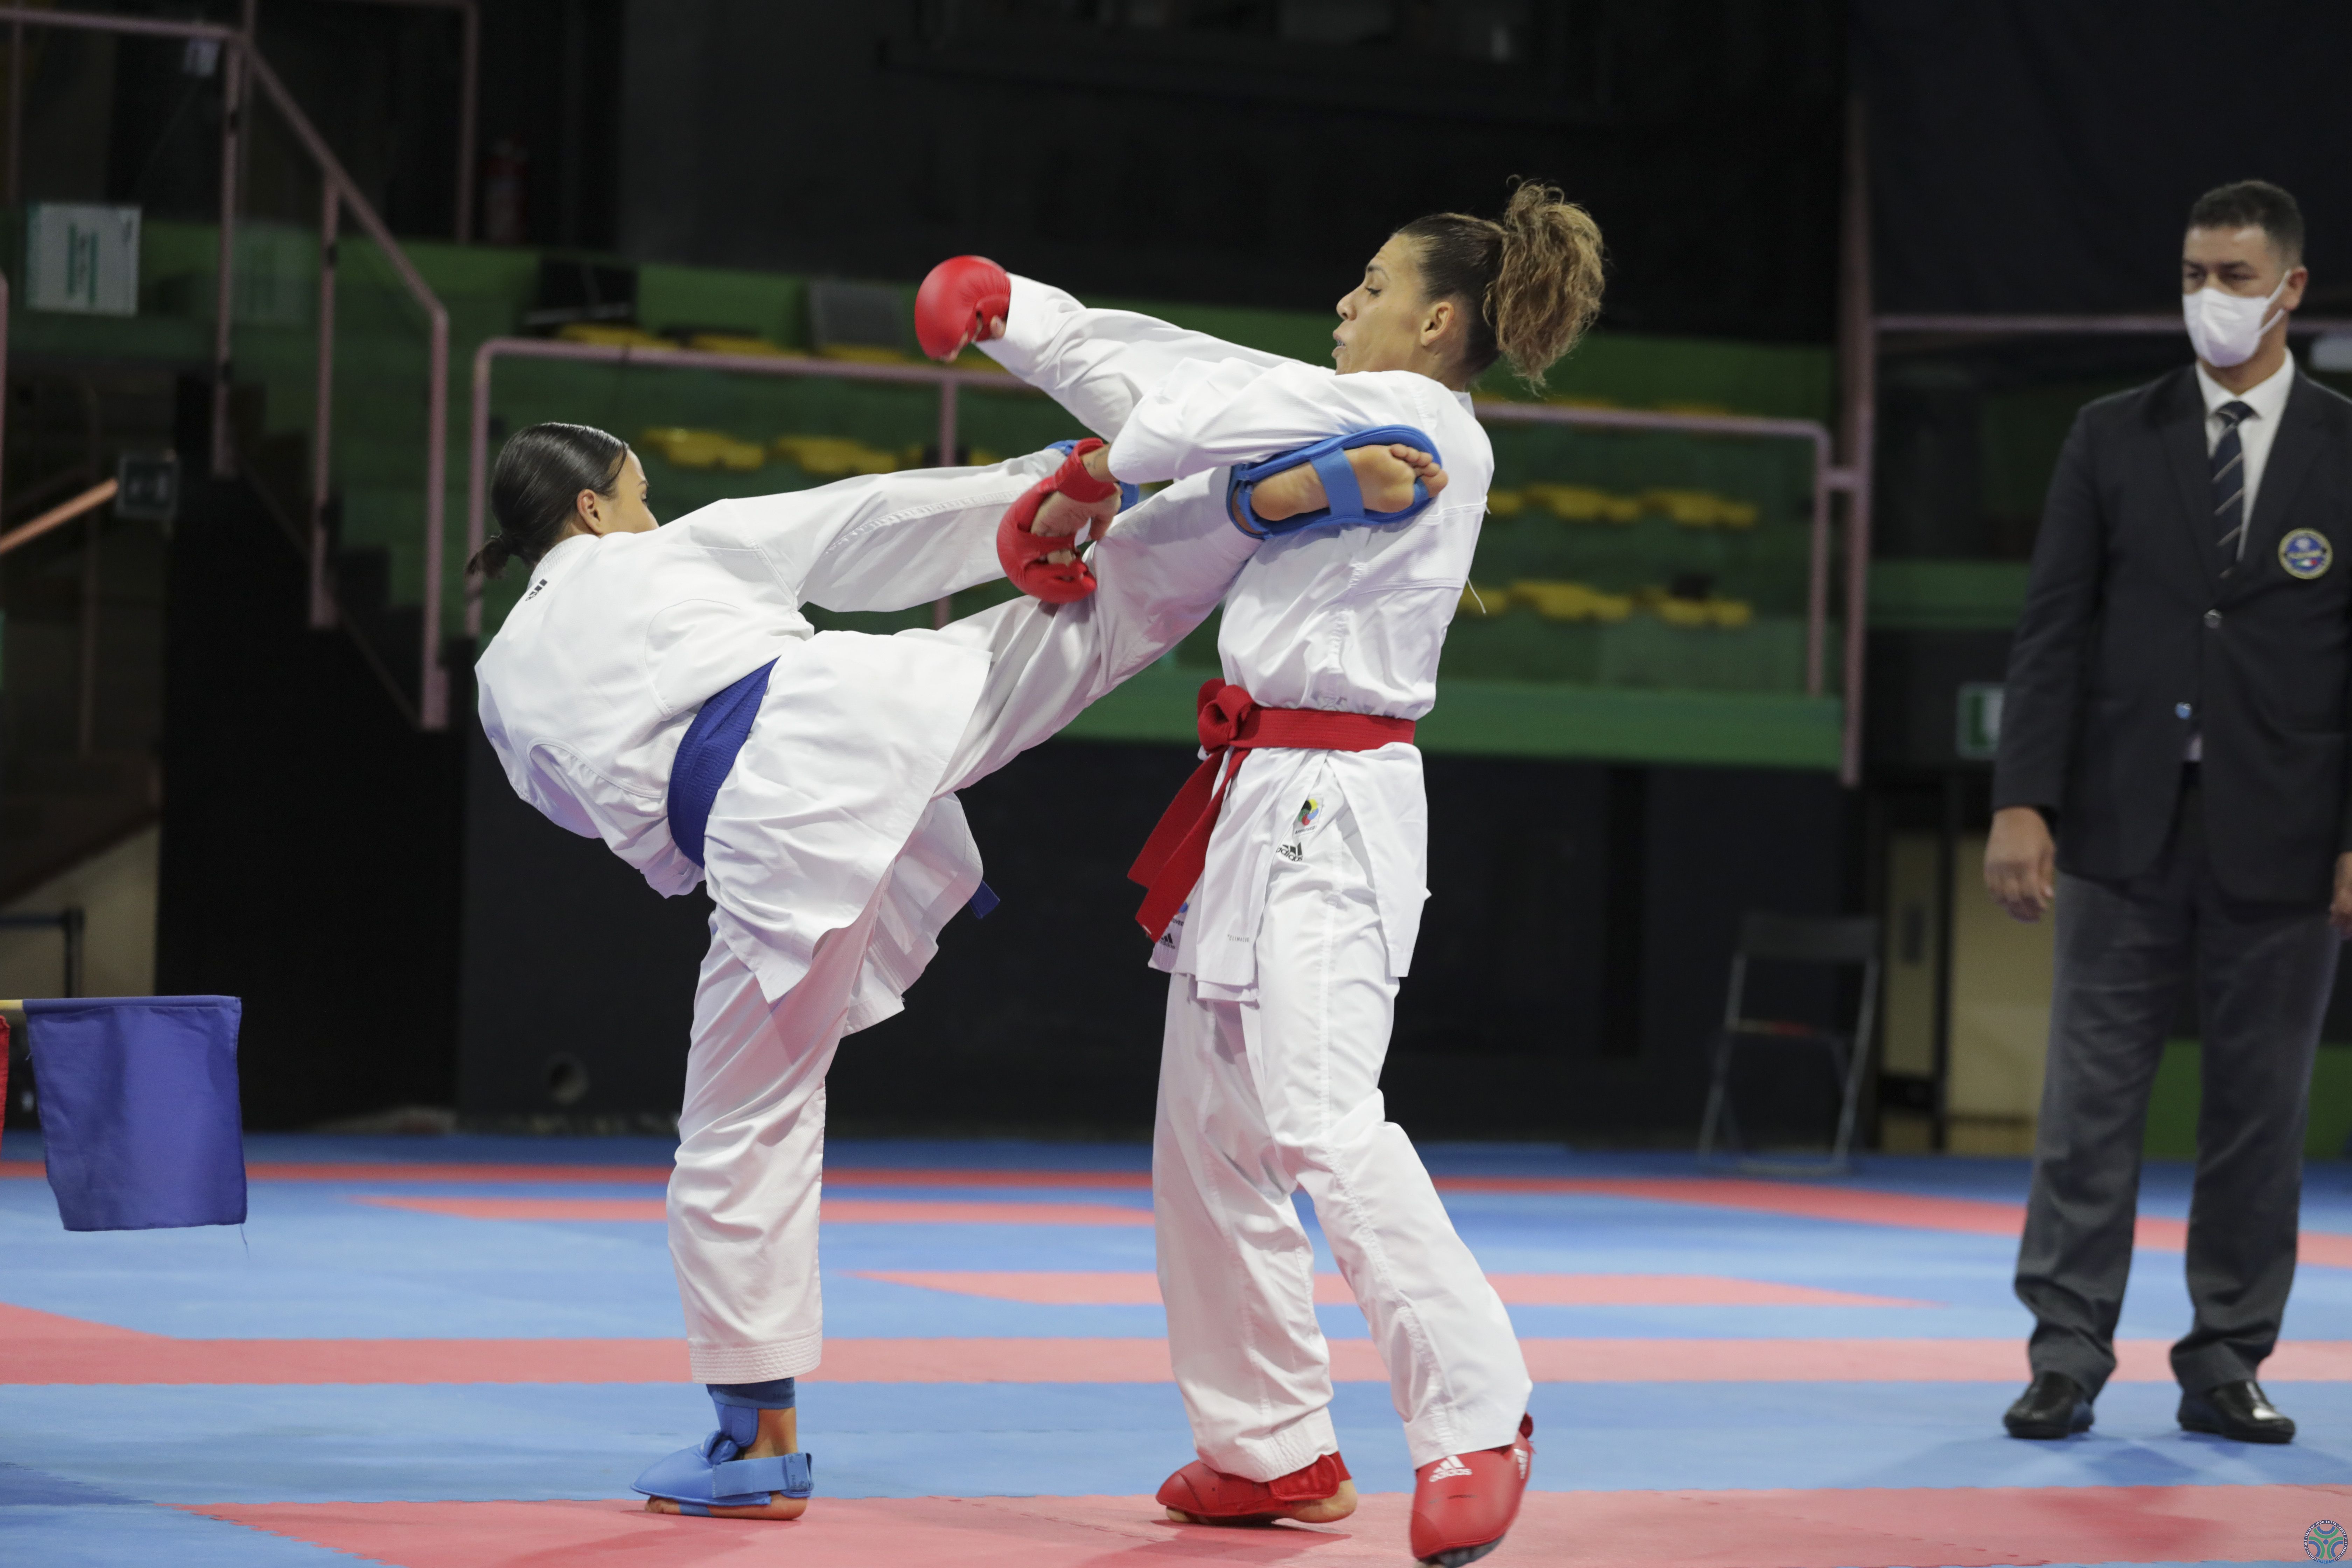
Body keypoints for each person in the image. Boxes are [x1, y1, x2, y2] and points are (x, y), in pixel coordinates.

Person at [469, 421, 1443, 1519]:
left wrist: (688, 823)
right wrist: (1043, 492)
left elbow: (581, 804)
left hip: (754, 830)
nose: (653, 513)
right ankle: (1245, 501)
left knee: (742, 1128)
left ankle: (755, 1444)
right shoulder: (670, 553)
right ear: (592, 510)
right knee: (1077, 630)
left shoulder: (502, 675)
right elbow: (863, 521)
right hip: (846, 711)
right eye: (640, 496)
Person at [918, 178, 1602, 1568]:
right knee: (1210, 1144)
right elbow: (1223, 451)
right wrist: (1059, 412)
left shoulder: (1418, 419)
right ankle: (1270, 1443)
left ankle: (1478, 1412)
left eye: (1371, 287)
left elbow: (1201, 397)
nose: (1345, 306)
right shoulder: (1353, 423)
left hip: (1336, 805)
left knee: (1319, 1118)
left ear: (1440, 320)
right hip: (1256, 798)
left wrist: (1061, 394)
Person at [1986, 178, 2352, 1447]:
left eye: (2238, 277)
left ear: (2293, 289)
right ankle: (2067, 1353)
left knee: (2261, 1112)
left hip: (2292, 831)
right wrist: (2024, 800)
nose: (2211, 297)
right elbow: (2052, 633)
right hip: (2117, 818)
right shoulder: (2112, 434)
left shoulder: (2348, 450)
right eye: (2195, 274)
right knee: (2089, 1101)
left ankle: (2226, 1358)